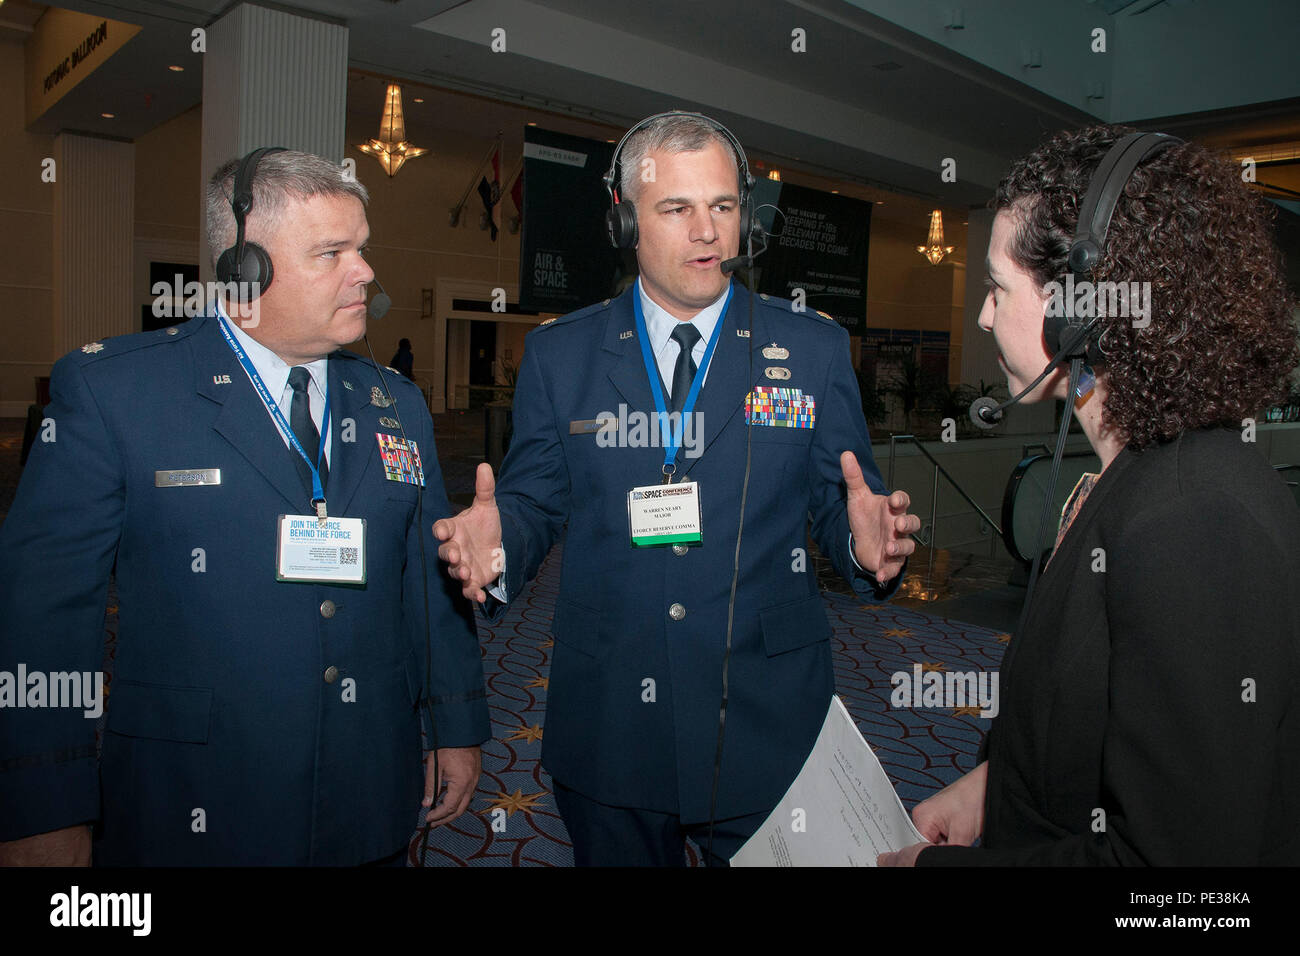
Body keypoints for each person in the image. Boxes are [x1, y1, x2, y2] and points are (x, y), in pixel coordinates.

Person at [435, 112, 919, 865]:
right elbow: (532, 500)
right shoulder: (562, 355)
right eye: (677, 209)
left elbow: (843, 498)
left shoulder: (811, 346)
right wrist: (497, 547)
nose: (708, 233)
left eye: (724, 208)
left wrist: (867, 549)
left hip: (768, 719)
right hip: (611, 723)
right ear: (624, 220)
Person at [0, 148, 489, 866]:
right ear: (243, 272)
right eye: (333, 253)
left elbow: (427, 583)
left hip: (369, 786)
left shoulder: (396, 401)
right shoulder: (116, 392)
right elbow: (41, 618)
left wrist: (455, 723)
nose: (365, 273)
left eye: (362, 248)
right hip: (196, 799)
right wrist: (43, 807)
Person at [879, 125, 1300, 866]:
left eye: (997, 289)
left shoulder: (1196, 522)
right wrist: (992, 785)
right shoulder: (1133, 475)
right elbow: (1093, 720)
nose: (982, 315)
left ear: (1083, 313)